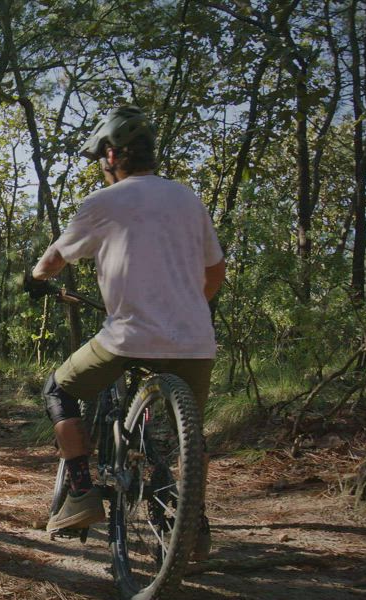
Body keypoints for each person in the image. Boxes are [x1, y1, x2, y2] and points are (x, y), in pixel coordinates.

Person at [31, 106, 225, 556]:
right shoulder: (186, 199)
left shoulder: (103, 203)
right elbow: (214, 271)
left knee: (58, 389)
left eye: (102, 156)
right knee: (186, 435)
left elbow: (55, 259)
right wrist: (186, 304)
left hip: (128, 337)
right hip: (195, 340)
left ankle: (80, 493)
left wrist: (34, 279)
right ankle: (192, 525)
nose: (102, 165)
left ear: (114, 154)